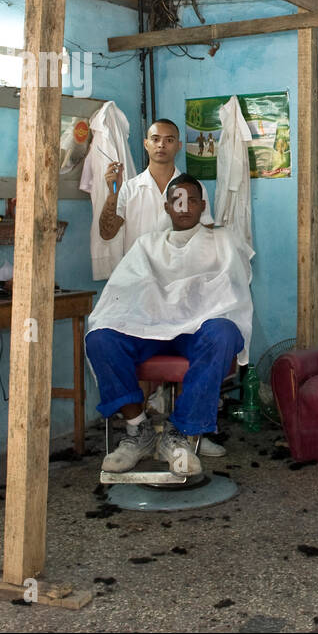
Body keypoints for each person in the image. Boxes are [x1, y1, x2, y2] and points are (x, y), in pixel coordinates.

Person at [86, 175, 253, 475]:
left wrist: (190, 297)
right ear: (166, 206)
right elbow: (126, 290)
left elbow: (233, 288)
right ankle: (138, 430)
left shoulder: (222, 241)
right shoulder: (148, 244)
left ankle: (179, 432)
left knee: (224, 332)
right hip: (151, 327)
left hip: (198, 330)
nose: (184, 206)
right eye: (177, 200)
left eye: (192, 200)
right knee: (100, 338)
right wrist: (158, 302)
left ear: (203, 205)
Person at [98, 119, 213, 255]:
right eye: (155, 139)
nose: (161, 145)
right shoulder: (128, 189)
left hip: (180, 270)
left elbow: (206, 232)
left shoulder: (194, 188)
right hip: (140, 270)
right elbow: (107, 234)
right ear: (146, 144)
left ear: (179, 145)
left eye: (169, 140)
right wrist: (113, 193)